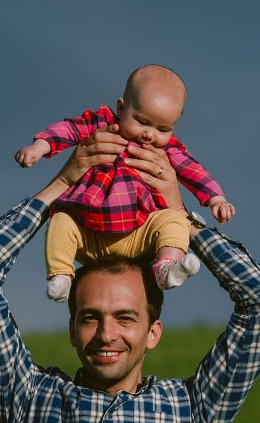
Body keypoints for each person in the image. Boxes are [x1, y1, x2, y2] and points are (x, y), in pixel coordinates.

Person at [0, 130, 260, 423]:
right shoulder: (29, 399)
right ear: (71, 329)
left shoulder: (190, 411)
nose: (106, 335)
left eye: (125, 317)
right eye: (90, 317)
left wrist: (180, 217)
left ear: (153, 332)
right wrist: (58, 188)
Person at [14, 65, 236, 301]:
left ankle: (166, 266)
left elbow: (193, 169)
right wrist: (40, 146)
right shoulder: (103, 124)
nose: (149, 135)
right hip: (89, 232)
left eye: (163, 129)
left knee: (174, 219)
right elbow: (69, 129)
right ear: (121, 108)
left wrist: (216, 198)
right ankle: (61, 276)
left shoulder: (167, 149)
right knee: (61, 219)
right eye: (142, 121)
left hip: (138, 235)